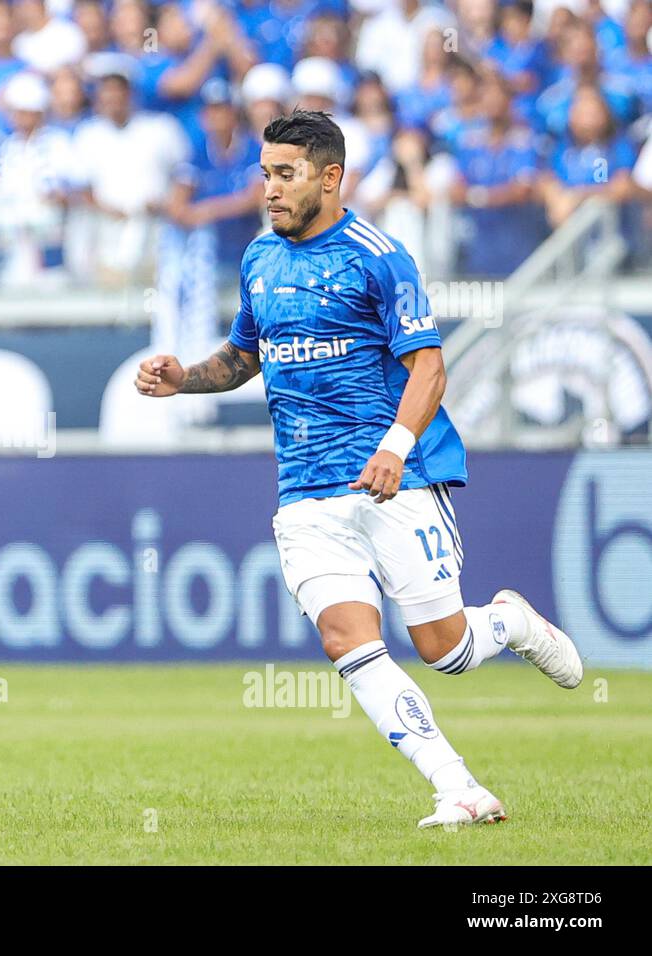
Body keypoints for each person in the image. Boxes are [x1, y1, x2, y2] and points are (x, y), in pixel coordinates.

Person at [135, 109, 583, 829]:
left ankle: (509, 622)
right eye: (265, 176)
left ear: (331, 176)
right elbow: (243, 359)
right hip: (305, 493)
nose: (271, 191)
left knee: (445, 649)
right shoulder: (259, 260)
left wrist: (394, 448)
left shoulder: (378, 255)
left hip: (393, 480)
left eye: (286, 175)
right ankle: (458, 786)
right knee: (347, 639)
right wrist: (182, 377)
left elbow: (429, 366)